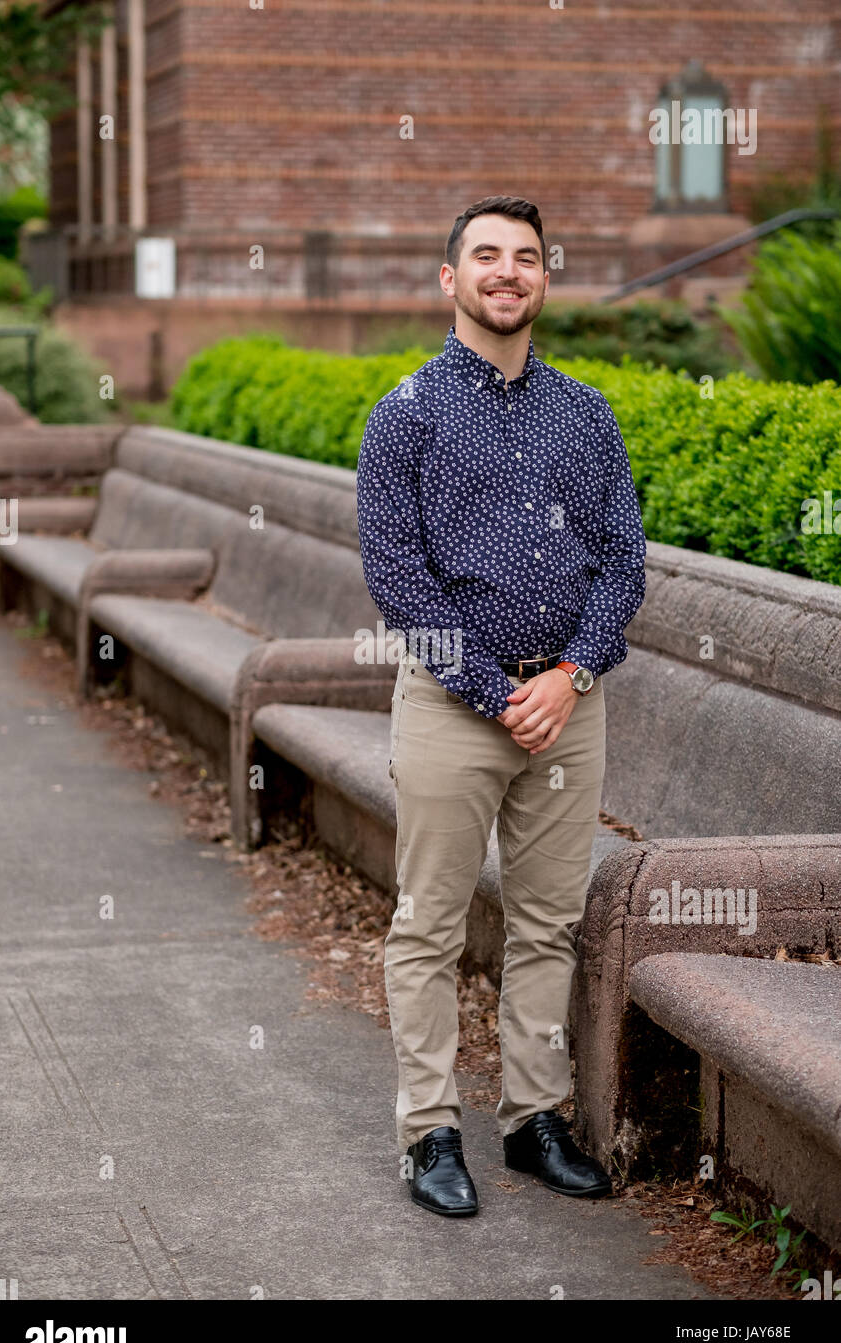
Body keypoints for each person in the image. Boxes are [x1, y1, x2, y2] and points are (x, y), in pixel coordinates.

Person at [356, 194, 647, 1217]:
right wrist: (495, 691)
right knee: (428, 924)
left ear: (543, 280)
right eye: (485, 255)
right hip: (451, 704)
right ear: (450, 280)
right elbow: (397, 580)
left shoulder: (587, 414)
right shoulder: (405, 415)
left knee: (546, 920)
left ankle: (532, 1120)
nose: (506, 271)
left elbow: (622, 558)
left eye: (525, 257)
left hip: (569, 701)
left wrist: (568, 674)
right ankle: (428, 1130)